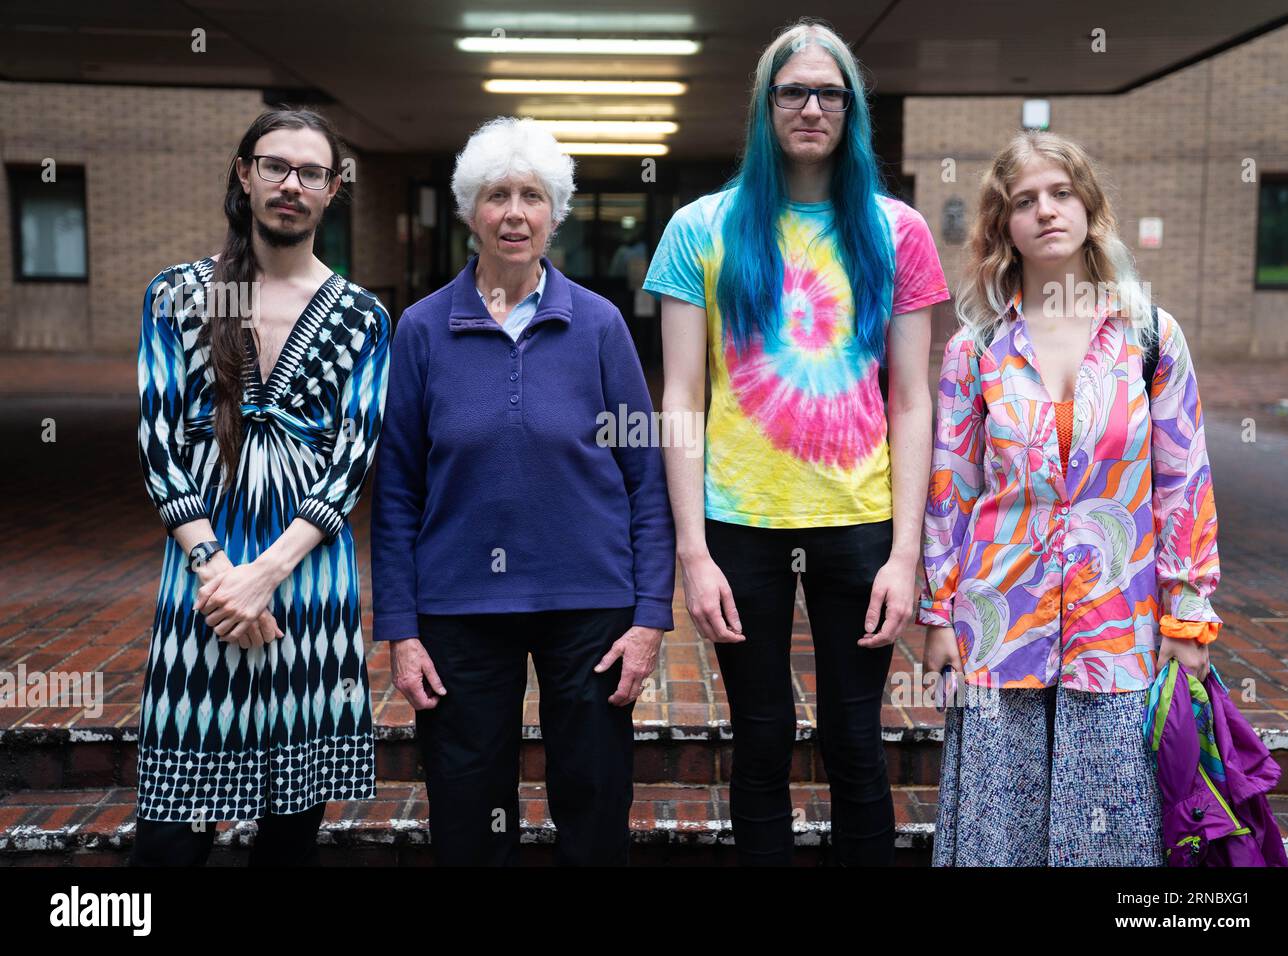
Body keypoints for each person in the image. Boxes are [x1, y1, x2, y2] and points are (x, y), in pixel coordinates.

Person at [643, 19, 949, 866]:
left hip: (860, 523)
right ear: (765, 105)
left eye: (829, 92)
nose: (811, 106)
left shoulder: (898, 232)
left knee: (858, 739)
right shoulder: (699, 229)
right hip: (739, 525)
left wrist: (905, 552)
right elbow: (680, 397)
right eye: (793, 90)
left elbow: (913, 400)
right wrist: (692, 554)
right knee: (763, 736)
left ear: (850, 109)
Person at [370, 117, 676, 866]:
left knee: (595, 795)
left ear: (554, 213)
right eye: (497, 195)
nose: (515, 212)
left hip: (590, 603)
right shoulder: (421, 329)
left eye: (533, 196)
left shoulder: (600, 325)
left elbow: (645, 476)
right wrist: (402, 631)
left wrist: (649, 617)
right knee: (469, 804)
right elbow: (398, 489)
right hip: (459, 607)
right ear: (471, 211)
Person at [918, 130, 1222, 866]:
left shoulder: (1149, 336)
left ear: (1089, 207)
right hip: (997, 625)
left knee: (1110, 838)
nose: (1046, 211)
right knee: (999, 837)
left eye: (1061, 193)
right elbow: (950, 487)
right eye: (1024, 201)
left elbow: (1184, 481)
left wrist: (1189, 610)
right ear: (1003, 227)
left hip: (1120, 628)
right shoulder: (976, 348)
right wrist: (937, 615)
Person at [130, 108, 390, 866]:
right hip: (202, 583)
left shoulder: (363, 317)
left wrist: (267, 575)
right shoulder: (180, 293)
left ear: (332, 190)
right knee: (169, 838)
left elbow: (352, 460)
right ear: (243, 174)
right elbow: (157, 442)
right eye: (275, 166)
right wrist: (221, 576)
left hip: (305, 582)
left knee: (289, 832)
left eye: (312, 173)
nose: (291, 185)